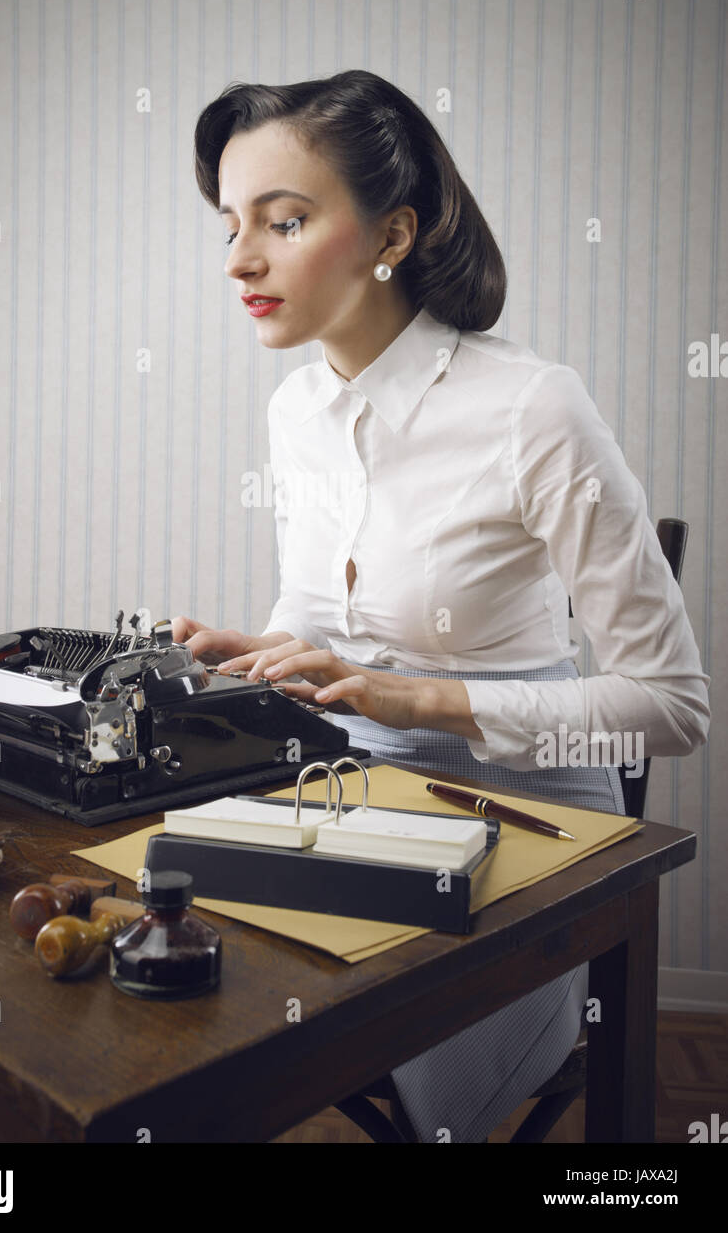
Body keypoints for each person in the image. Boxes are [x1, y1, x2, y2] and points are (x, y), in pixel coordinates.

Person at [172, 69, 710, 1143]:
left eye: (282, 220)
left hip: (527, 817)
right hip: (352, 783)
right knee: (179, 966)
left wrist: (420, 698)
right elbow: (324, 612)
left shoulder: (529, 406)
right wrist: (269, 649)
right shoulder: (297, 409)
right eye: (230, 223)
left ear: (392, 233)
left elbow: (672, 705)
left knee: (281, 1022)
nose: (238, 259)